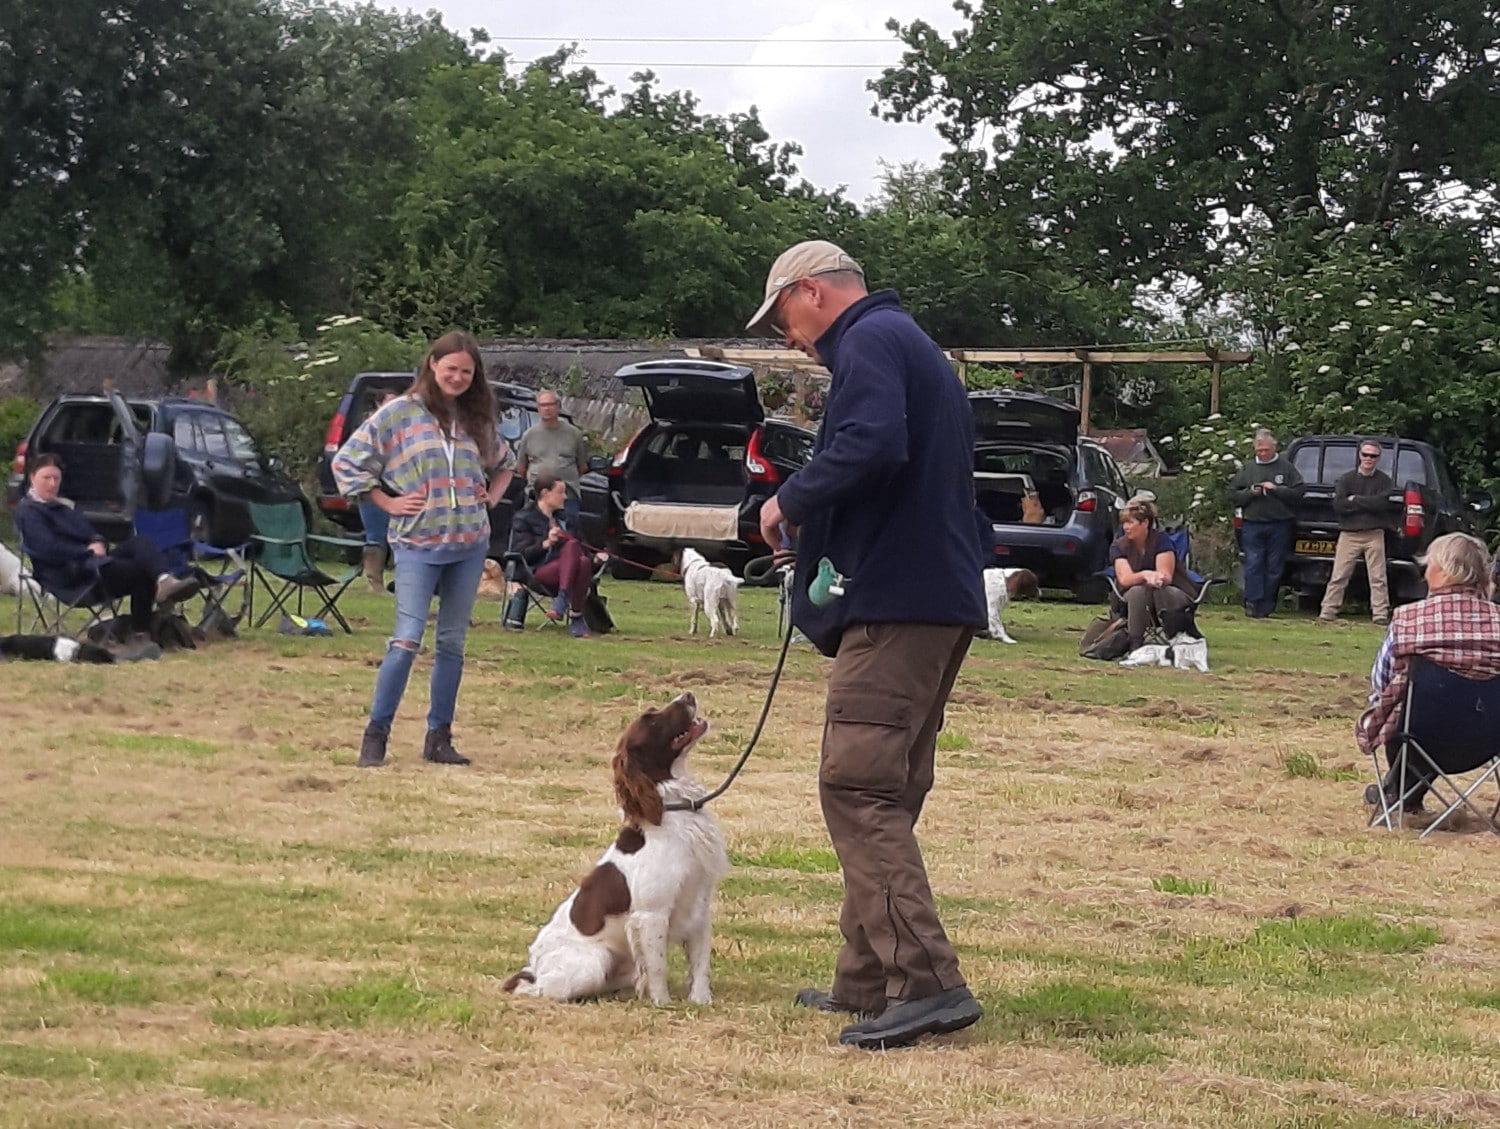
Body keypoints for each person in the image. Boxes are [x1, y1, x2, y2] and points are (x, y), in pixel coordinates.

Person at [750, 239, 986, 1050]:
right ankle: (868, 978)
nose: (788, 337)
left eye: (783, 316)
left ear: (811, 291)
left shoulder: (869, 341)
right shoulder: (908, 342)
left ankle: (925, 982)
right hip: (935, 596)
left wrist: (789, 500)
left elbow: (872, 445)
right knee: (886, 787)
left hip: (896, 601)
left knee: (857, 789)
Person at [332, 331, 515, 769]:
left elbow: (506, 463)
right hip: (417, 542)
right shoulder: (399, 414)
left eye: (466, 372)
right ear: (432, 365)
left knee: (451, 642)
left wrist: (490, 495)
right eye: (450, 368)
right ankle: (376, 735)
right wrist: (387, 501)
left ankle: (440, 737)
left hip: (469, 543)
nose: (457, 377)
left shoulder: (476, 417)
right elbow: (348, 462)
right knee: (407, 639)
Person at [1356, 533, 1500, 812]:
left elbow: (1381, 682)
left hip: (1418, 738)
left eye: (1429, 564)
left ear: (1445, 573)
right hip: (1489, 740)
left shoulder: (1409, 619)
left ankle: (1400, 794)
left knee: (1404, 709)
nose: (1424, 571)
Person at [14, 454, 198, 643]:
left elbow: (91, 532)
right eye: (47, 478)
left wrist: (97, 541)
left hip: (93, 562)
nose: (52, 484)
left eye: (56, 478)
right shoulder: (29, 511)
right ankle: (141, 632)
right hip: (70, 576)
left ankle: (164, 580)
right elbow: (47, 548)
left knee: (140, 542)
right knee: (141, 572)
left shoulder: (64, 506)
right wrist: (88, 551)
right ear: (32, 477)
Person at [508, 473, 607, 638]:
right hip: (539, 572)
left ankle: (563, 602)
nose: (565, 497)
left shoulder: (568, 519)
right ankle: (576, 616)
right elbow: (521, 553)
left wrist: (596, 559)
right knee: (573, 547)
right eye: (560, 492)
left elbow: (584, 552)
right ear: (545, 493)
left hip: (572, 572)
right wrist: (546, 543)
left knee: (581, 560)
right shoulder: (524, 518)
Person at [1228, 428, 1305, 618]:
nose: (1262, 454)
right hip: (1252, 523)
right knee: (1254, 563)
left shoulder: (1286, 467)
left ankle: (1267, 605)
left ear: (1274, 447)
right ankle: (1252, 602)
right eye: (1259, 450)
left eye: (1266, 450)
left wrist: (1276, 489)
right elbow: (1232, 495)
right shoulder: (1247, 469)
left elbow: (1299, 492)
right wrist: (1250, 493)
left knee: (1275, 566)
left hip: (1280, 524)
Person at [1318, 440, 1397, 626]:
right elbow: (1339, 505)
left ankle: (1380, 614)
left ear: (1379, 458)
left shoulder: (1384, 480)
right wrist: (1365, 503)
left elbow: (1381, 504)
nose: (1369, 459)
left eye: (1373, 456)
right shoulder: (1346, 479)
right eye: (1366, 455)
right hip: (1349, 534)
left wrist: (1355, 500)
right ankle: (1327, 611)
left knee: (1378, 577)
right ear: (1359, 455)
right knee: (1339, 575)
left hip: (1374, 533)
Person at [1108, 498, 1197, 651]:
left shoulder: (1162, 540)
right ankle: (1134, 644)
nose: (1126, 527)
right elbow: (1125, 579)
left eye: (1130, 523)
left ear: (1145, 523)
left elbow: (1166, 575)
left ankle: (1179, 639)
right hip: (1128, 597)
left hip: (1166, 593)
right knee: (1137, 591)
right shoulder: (1119, 546)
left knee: (1163, 590)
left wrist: (1157, 579)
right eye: (1124, 523)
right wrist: (1144, 575)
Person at [515, 389, 589, 518]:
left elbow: (582, 467)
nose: (547, 409)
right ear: (538, 408)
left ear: (558, 406)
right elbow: (521, 468)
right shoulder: (529, 435)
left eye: (550, 404)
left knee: (567, 535)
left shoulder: (574, 434)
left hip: (567, 497)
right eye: (543, 405)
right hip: (537, 497)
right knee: (537, 535)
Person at [357, 389, 402, 594]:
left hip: (398, 492)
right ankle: (374, 583)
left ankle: (403, 583)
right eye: (391, 402)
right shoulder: (368, 429)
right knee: (376, 536)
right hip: (372, 491)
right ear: (378, 403)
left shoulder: (404, 429)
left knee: (402, 538)